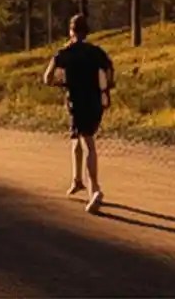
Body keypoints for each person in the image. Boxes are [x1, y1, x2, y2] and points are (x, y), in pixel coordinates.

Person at [42, 13, 114, 214]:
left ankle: (95, 191)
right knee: (77, 138)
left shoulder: (64, 53)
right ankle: (77, 180)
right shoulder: (96, 52)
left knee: (88, 143)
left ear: (71, 31)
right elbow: (109, 71)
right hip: (95, 102)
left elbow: (47, 77)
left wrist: (59, 83)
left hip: (77, 103)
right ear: (86, 31)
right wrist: (106, 89)